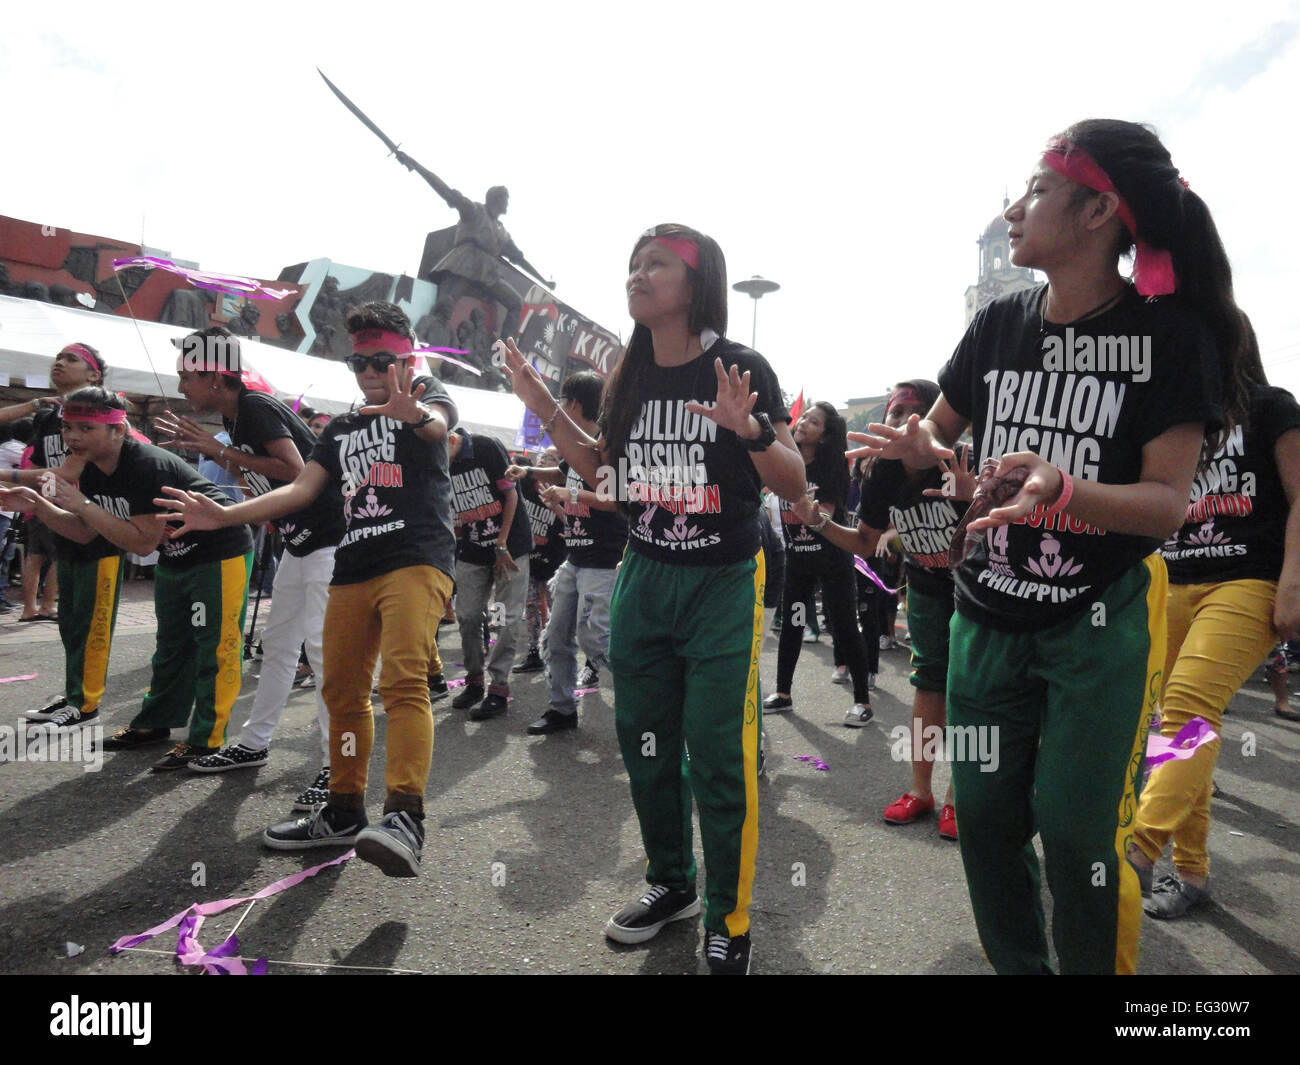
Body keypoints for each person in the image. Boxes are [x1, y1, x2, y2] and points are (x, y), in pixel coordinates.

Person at [849, 120, 1248, 974]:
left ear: (1099, 209)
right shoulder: (999, 323)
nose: (1013, 209)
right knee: (985, 824)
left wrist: (1062, 487)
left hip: (1099, 622)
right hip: (983, 617)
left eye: (1036, 190)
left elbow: (1165, 505)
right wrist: (918, 446)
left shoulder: (1170, 338)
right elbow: (941, 430)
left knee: (1077, 835)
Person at [502, 223, 805, 974]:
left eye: (656, 264)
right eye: (633, 264)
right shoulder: (628, 374)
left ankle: (729, 916)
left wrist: (751, 429)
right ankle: (672, 881)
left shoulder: (740, 366)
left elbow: (794, 482)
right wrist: (541, 402)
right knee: (644, 743)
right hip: (643, 572)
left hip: (722, 580)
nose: (637, 275)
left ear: (697, 282)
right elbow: (605, 472)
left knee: (719, 754)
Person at [156, 301, 457, 877]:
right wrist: (224, 515)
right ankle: (343, 808)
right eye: (359, 362)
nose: (370, 372)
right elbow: (299, 490)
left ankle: (404, 815)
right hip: (351, 565)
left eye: (382, 361)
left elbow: (438, 426)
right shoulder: (340, 429)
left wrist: (415, 414)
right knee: (341, 691)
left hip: (416, 559)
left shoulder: (427, 397)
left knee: (402, 680)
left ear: (408, 361)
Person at [1128, 333, 1300, 917]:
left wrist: (1293, 583)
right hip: (1175, 580)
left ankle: (1137, 848)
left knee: (1188, 709)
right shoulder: (1180, 420)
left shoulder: (1272, 407)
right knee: (1184, 726)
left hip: (1250, 580)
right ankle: (1192, 872)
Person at [2, 387, 254, 765]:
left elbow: (140, 543)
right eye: (68, 427)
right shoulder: (92, 468)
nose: (72, 437)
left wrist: (81, 504)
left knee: (215, 647)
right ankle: (154, 723)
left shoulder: (145, 465)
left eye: (86, 428)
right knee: (170, 646)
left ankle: (207, 740)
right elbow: (84, 531)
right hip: (176, 556)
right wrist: (38, 505)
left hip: (219, 552)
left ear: (118, 430)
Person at [152, 328, 346, 810]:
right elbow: (259, 477)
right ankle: (254, 744)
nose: (181, 387)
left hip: (328, 543)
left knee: (323, 656)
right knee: (278, 648)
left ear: (216, 378)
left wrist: (220, 451)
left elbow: (297, 471)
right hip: (299, 544)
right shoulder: (236, 416)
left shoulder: (255, 406)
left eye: (186, 377)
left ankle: (337, 771)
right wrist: (228, 466)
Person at [809, 380, 969, 839]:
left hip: (976, 590)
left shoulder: (961, 462)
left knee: (967, 686)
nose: (903, 423)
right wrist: (817, 520)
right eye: (895, 414)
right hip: (926, 587)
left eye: (915, 414)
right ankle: (920, 790)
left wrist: (972, 494)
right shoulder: (882, 473)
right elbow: (864, 541)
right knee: (928, 680)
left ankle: (960, 797)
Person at [2, 346, 125, 725]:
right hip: (63, 520)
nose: (59, 363)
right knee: (70, 620)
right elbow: (44, 470)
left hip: (100, 526)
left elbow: (68, 472)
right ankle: (75, 695)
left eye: (71, 359)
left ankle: (86, 704)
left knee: (92, 622)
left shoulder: (105, 413)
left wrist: (9, 478)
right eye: (56, 357)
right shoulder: (47, 416)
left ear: (94, 376)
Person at [510, 372, 629, 735]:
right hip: (575, 560)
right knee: (555, 637)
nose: (559, 406)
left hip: (603, 562)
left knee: (596, 639)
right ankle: (562, 708)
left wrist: (571, 495)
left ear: (575, 404)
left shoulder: (606, 446)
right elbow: (562, 472)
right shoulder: (573, 448)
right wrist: (528, 471)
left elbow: (617, 500)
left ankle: (650, 696)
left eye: (562, 400)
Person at [763, 401, 874, 725]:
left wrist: (812, 513)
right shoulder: (786, 463)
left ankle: (862, 702)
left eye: (813, 421)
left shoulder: (832, 468)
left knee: (844, 627)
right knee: (793, 625)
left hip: (832, 561)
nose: (803, 423)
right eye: (804, 418)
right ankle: (783, 693)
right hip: (798, 562)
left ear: (824, 436)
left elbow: (825, 513)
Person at [446, 428, 533, 719]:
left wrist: (501, 544)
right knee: (468, 615)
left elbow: (511, 496)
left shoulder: (485, 447)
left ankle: (498, 687)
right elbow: (453, 510)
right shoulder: (438, 459)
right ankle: (474, 680)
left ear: (451, 439)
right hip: (472, 550)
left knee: (504, 618)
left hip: (509, 549)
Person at [509, 448, 566, 676]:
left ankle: (558, 655)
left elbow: (573, 521)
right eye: (542, 457)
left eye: (550, 458)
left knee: (558, 610)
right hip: (530, 557)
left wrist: (556, 506)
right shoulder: (524, 486)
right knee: (532, 606)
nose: (543, 461)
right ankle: (535, 652)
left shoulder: (565, 488)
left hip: (556, 559)